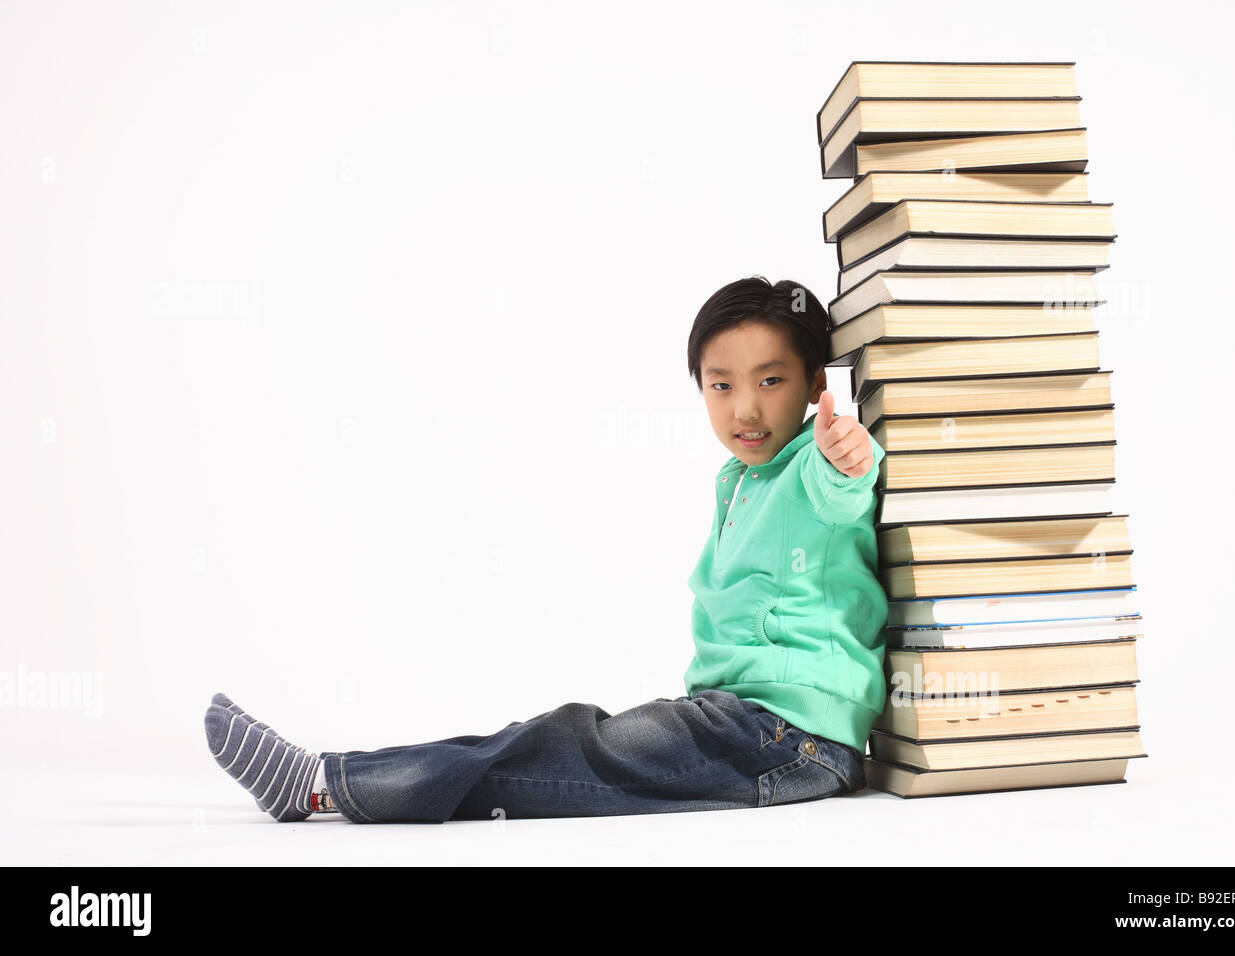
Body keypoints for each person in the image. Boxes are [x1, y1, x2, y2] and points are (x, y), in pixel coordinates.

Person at [203, 275, 888, 822]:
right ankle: (332, 777)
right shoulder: (737, 480)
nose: (745, 409)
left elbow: (844, 489)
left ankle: (323, 782)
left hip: (789, 740)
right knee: (561, 746)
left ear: (813, 387)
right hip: (742, 726)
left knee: (572, 747)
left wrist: (845, 457)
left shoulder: (810, 465)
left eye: (771, 381)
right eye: (721, 385)